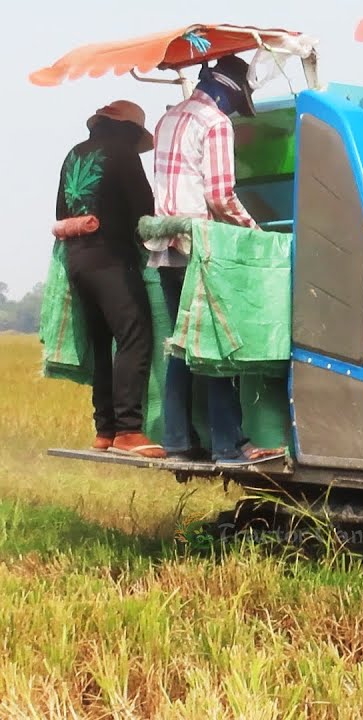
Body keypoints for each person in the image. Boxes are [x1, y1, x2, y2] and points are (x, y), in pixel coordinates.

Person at [149, 55, 284, 466]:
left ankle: (176, 441)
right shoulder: (215, 123)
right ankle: (230, 445)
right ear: (228, 91)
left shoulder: (168, 119)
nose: (233, 110)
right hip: (201, 248)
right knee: (217, 347)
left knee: (180, 346)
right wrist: (255, 232)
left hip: (166, 247)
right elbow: (220, 196)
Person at [54, 100, 164, 457]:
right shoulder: (123, 154)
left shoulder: (73, 154)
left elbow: (61, 212)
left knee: (102, 342)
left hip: (77, 260)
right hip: (111, 260)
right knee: (134, 336)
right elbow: (144, 213)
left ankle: (105, 429)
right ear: (130, 130)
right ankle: (129, 431)